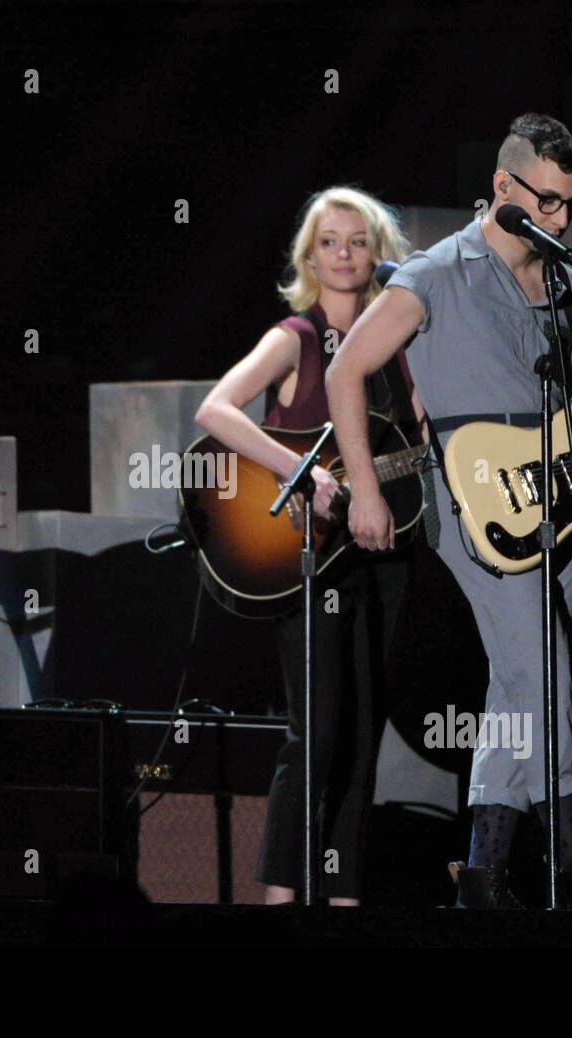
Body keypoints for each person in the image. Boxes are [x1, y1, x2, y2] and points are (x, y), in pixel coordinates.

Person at [326, 114, 572, 909]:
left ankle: (484, 874)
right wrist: (362, 486)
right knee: (543, 672)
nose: (561, 219)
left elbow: (545, 381)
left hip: (556, 498)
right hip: (473, 504)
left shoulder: (565, 284)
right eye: (548, 202)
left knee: (515, 684)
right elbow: (348, 370)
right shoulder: (432, 274)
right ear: (504, 187)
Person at [195, 186, 424, 904]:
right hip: (303, 552)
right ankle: (281, 903)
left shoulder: (399, 345)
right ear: (311, 256)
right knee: (317, 736)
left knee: (362, 742)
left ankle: (347, 901)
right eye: (330, 242)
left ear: (377, 251)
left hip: (381, 556)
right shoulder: (294, 337)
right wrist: (299, 471)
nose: (345, 254)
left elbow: (418, 444)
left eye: (358, 241)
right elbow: (215, 410)